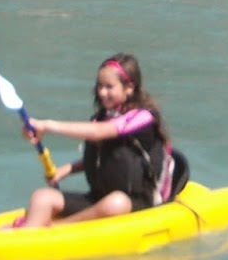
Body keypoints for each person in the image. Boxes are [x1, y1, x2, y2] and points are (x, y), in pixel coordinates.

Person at [11, 53, 173, 229]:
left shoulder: (143, 117)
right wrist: (66, 170)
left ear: (129, 87)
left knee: (116, 202)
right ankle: (25, 235)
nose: (102, 92)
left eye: (109, 87)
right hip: (99, 198)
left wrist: (47, 125)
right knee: (41, 197)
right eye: (100, 86)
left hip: (136, 204)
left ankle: (58, 228)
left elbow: (100, 132)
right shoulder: (101, 117)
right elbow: (105, 157)